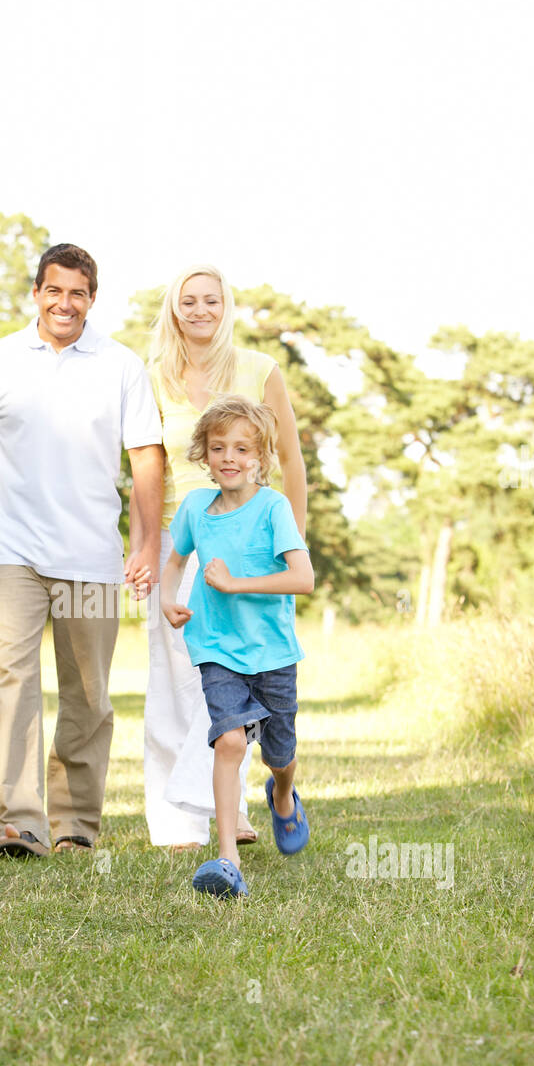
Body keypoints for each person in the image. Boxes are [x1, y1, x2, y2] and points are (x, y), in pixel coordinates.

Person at [0, 243, 163, 858]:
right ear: (36, 293)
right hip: (10, 549)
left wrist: (145, 543)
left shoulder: (121, 367)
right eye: (53, 290)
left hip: (92, 555)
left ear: (92, 299)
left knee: (89, 693)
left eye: (77, 293)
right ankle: (21, 822)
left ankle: (74, 825)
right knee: (13, 680)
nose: (64, 303)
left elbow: (147, 456)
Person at [133, 264, 307, 850]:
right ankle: (180, 820)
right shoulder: (153, 376)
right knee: (179, 683)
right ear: (174, 308)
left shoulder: (260, 370)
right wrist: (146, 548)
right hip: (182, 542)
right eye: (189, 300)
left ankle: (233, 810)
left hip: (251, 548)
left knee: (242, 683)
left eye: (212, 299)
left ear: (226, 305)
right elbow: (145, 469)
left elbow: (291, 459)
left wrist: (291, 547)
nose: (201, 309)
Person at [152, 394, 313, 896]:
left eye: (242, 449)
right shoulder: (197, 507)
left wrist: (235, 584)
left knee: (278, 753)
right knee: (229, 740)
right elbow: (176, 559)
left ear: (261, 458)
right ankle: (226, 861)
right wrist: (166, 597)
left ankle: (282, 797)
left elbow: (303, 578)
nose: (229, 458)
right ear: (204, 452)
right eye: (218, 447)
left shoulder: (273, 507)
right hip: (216, 647)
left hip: (273, 653)